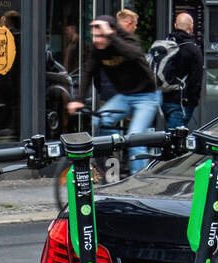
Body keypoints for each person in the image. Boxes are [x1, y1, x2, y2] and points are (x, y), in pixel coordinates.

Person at [68, 15, 160, 171]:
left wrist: (110, 35)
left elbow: (133, 54)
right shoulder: (97, 49)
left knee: (135, 138)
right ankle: (113, 155)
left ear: (111, 32)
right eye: (95, 36)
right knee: (100, 121)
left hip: (147, 96)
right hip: (124, 96)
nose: (97, 40)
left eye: (101, 36)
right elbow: (88, 71)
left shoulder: (128, 40)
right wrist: (78, 99)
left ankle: (139, 181)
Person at [159, 12, 203, 129]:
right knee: (176, 140)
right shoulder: (193, 49)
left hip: (163, 99)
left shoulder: (165, 45)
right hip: (181, 103)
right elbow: (196, 80)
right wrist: (192, 102)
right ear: (191, 26)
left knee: (167, 139)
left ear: (175, 25)